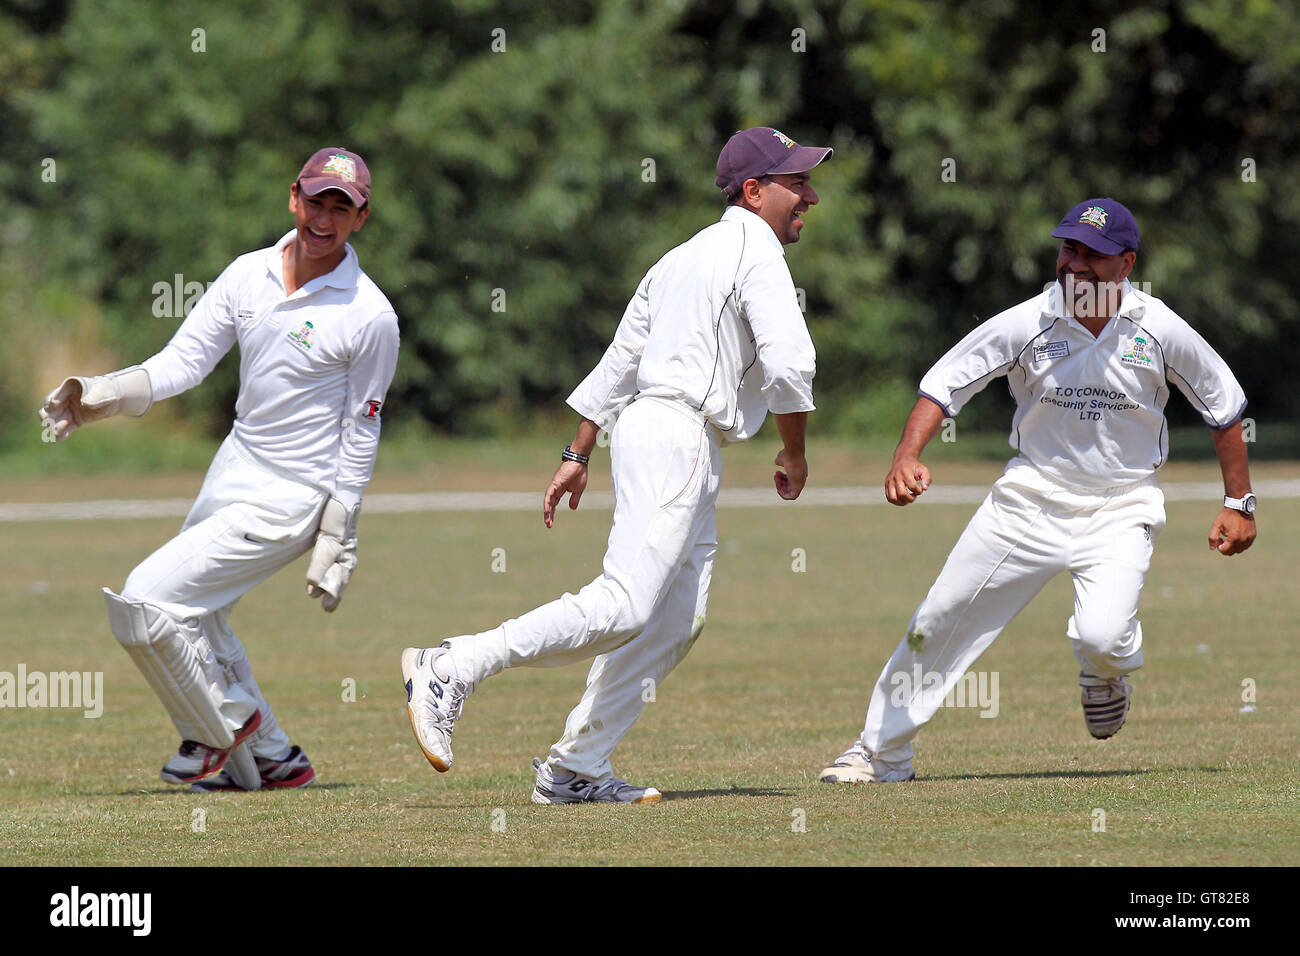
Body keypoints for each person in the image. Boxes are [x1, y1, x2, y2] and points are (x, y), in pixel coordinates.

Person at [402, 126, 830, 803]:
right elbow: (790, 364)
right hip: (677, 435)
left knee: (675, 617)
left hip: (661, 433)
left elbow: (620, 358)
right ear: (754, 192)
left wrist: (578, 450)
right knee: (626, 604)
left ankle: (576, 767)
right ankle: (453, 665)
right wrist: (796, 453)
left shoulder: (679, 258)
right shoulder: (758, 252)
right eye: (796, 182)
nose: (810, 195)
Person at [820, 198, 1257, 784]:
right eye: (1069, 249)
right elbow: (944, 384)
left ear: (1126, 263)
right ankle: (879, 754)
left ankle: (1104, 673)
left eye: (1093, 255)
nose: (1075, 265)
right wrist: (907, 454)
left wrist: (1239, 503)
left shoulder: (1160, 327)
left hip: (1122, 506)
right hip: (1028, 499)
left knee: (1103, 638)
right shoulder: (1029, 322)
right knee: (940, 617)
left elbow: (1224, 408)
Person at [39, 147, 400, 792]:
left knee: (147, 600)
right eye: (316, 200)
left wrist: (339, 533)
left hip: (296, 494)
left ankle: (221, 725)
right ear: (294, 197)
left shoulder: (370, 316)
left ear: (360, 219)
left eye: (340, 208)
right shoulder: (247, 275)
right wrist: (96, 394)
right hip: (235, 466)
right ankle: (275, 757)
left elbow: (361, 428)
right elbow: (182, 363)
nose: (324, 218)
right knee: (201, 616)